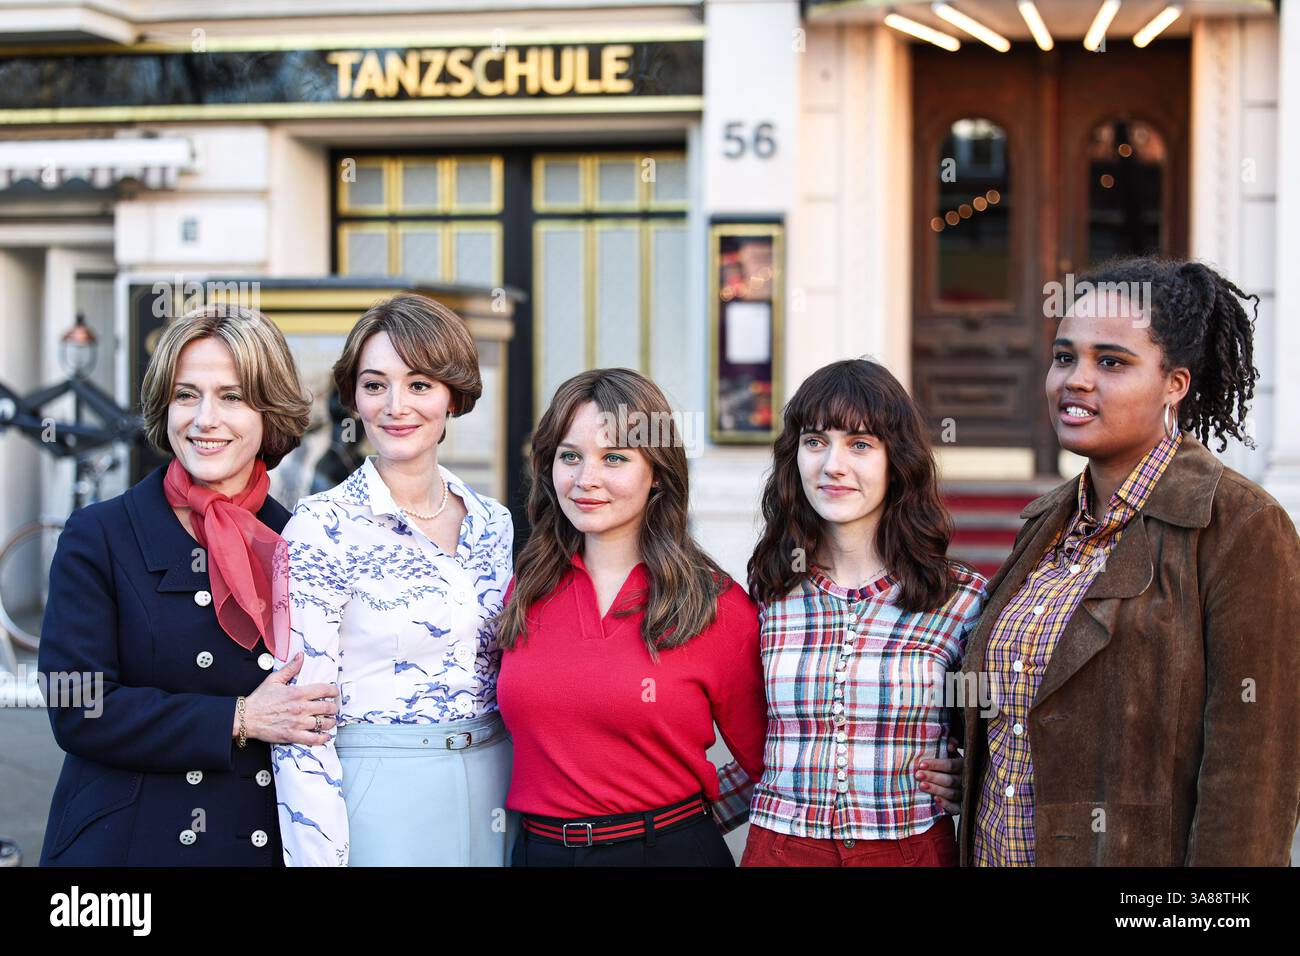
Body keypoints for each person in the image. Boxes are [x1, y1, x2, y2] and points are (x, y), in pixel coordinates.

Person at [960, 257, 1300, 866]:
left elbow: (1254, 774)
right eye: (1065, 357)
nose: (1076, 379)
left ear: (1176, 383)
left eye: (1111, 362)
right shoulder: (1047, 524)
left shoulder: (1240, 527)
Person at [39, 305, 333, 866]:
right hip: (131, 847)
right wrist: (238, 719)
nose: (204, 419)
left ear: (269, 411)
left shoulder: (304, 538)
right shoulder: (99, 535)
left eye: (232, 396)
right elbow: (76, 705)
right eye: (185, 395)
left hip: (262, 838)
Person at [272, 293, 514, 866]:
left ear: (453, 395)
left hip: (497, 785)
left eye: (420, 384)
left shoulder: (493, 522)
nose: (395, 406)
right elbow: (302, 719)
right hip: (378, 792)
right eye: (375, 385)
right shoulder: (319, 527)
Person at [496, 368, 766, 866]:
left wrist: (687, 820)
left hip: (664, 851)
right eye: (569, 456)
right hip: (539, 853)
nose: (585, 479)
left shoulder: (715, 604)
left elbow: (772, 764)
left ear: (658, 472)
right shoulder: (522, 589)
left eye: (614, 457)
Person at [741, 359, 984, 867]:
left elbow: (1000, 737)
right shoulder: (769, 593)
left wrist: (974, 775)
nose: (833, 465)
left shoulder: (961, 600)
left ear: (897, 460)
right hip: (781, 849)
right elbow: (748, 745)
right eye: (815, 441)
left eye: (860, 444)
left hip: (910, 849)